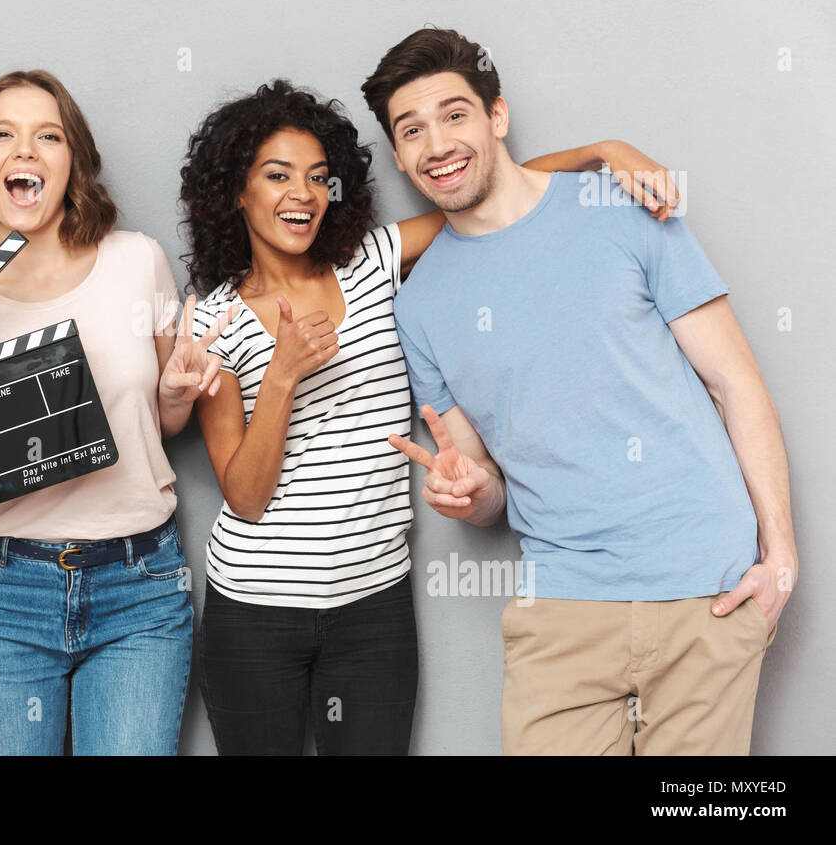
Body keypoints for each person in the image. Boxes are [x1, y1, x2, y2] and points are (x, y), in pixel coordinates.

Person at [182, 78, 677, 755]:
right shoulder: (215, 321)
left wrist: (601, 151)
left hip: (374, 608)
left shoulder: (372, 263)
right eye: (277, 176)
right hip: (254, 613)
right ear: (237, 191)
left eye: (318, 178)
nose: (302, 195)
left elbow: (487, 196)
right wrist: (283, 374)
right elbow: (244, 494)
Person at [365, 26, 795, 755]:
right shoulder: (420, 302)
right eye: (412, 130)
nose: (436, 143)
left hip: (708, 587)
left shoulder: (620, 206)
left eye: (454, 114)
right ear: (400, 154)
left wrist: (780, 555)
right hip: (561, 604)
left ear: (496, 117)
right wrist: (469, 494)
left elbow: (735, 382)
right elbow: (486, 485)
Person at [0, 69, 229, 755]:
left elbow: (158, 428)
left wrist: (176, 395)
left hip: (139, 584)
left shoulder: (136, 263)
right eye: (3, 134)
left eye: (47, 135)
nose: (24, 149)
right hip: (5, 592)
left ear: (72, 163)